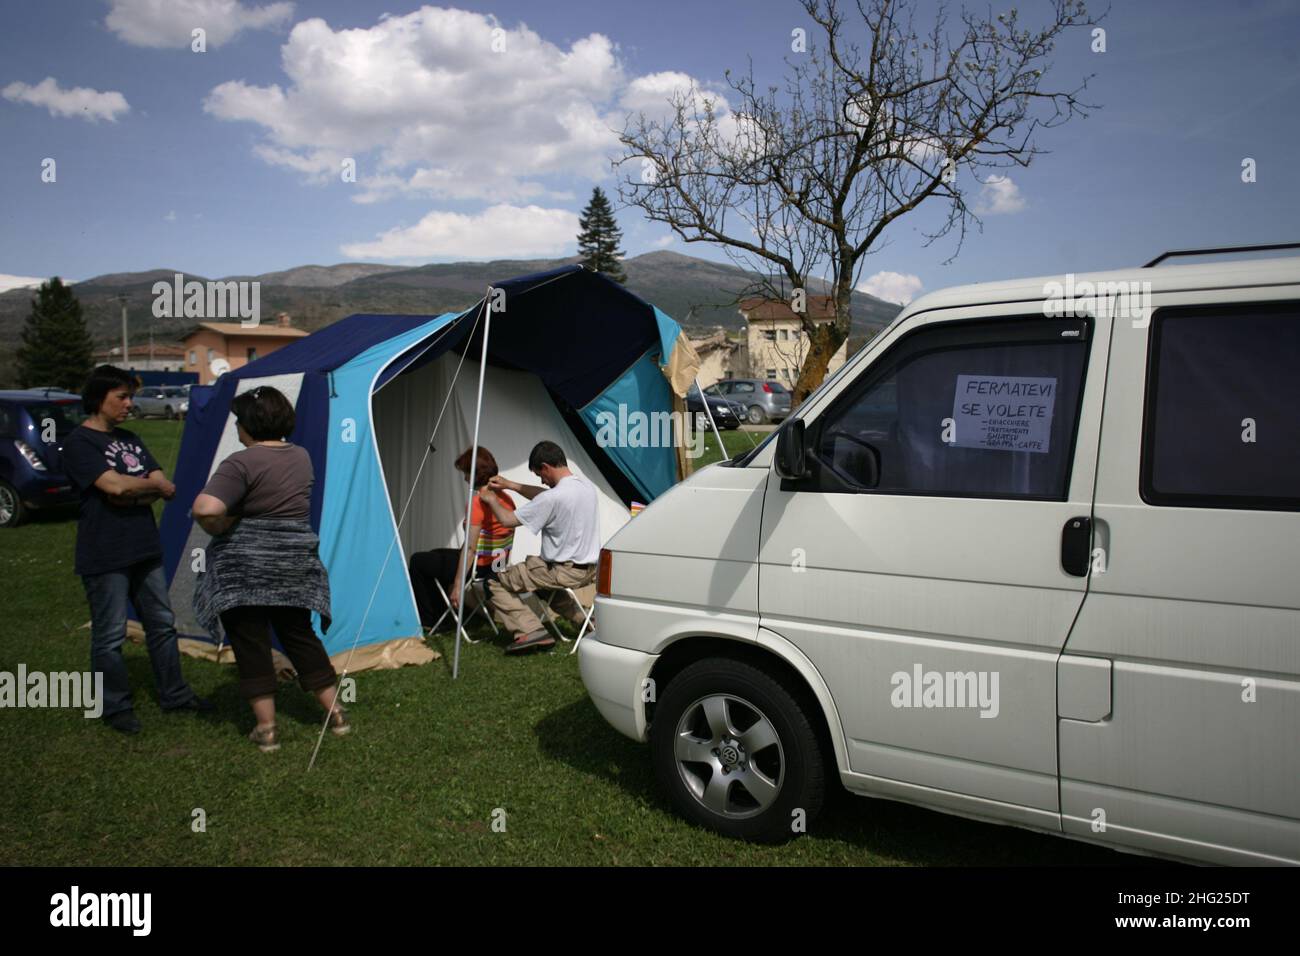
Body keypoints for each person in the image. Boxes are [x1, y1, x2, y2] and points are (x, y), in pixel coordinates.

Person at [190, 386, 347, 752]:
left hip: (246, 567)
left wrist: (224, 524)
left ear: (248, 423)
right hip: (293, 562)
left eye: (238, 420)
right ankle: (335, 712)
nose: (235, 428)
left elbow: (205, 508)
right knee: (299, 635)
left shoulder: (240, 463)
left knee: (250, 642)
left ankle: (267, 729)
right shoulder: (301, 457)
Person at [61, 365, 212, 735]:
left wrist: (141, 487)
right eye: (122, 397)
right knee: (110, 633)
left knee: (161, 624)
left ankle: (174, 693)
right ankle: (114, 705)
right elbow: (113, 487)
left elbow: (165, 483)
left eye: (130, 396)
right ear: (99, 399)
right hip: (104, 552)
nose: (129, 404)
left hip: (144, 547)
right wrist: (143, 488)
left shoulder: (131, 438)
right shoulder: (79, 443)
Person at [478, 440, 600, 654]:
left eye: (540, 475)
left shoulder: (553, 497)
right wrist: (511, 485)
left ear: (546, 467)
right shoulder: (586, 487)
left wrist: (491, 499)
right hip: (588, 571)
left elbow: (507, 520)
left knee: (493, 581)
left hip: (562, 572)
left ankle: (531, 630)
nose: (542, 482)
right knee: (541, 582)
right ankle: (587, 620)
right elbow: (546, 497)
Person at [407, 447, 515, 629]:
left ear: (474, 474)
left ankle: (430, 620)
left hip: (478, 567)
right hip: (496, 564)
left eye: (466, 473)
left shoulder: (477, 503)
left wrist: (457, 586)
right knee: (435, 554)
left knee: (418, 560)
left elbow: (470, 549)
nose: (465, 478)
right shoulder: (506, 498)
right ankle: (441, 612)